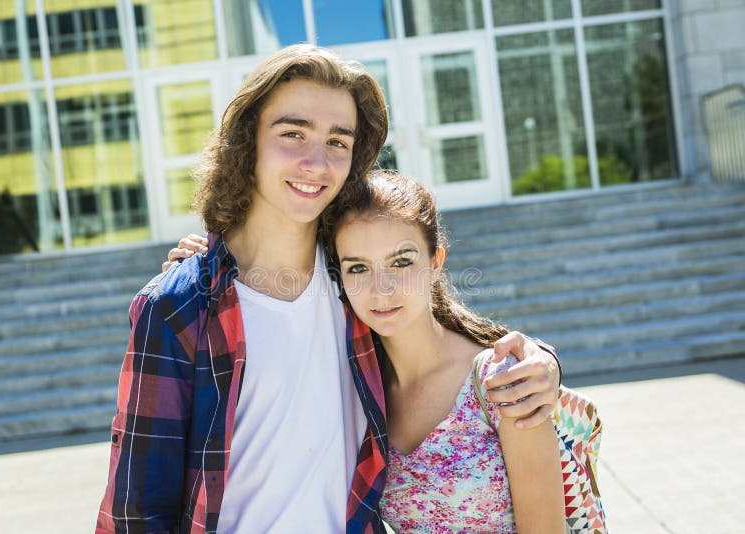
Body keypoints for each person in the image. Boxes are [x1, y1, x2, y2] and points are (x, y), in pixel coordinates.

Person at [98, 44, 562, 534]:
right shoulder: (179, 307)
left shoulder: (354, 282)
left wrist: (541, 361)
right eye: (292, 133)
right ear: (247, 141)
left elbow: (443, 338)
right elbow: (135, 512)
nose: (316, 163)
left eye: (338, 141)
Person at [169, 170, 568, 532]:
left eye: (401, 262)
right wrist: (201, 269)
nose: (382, 289)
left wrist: (547, 360)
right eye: (358, 267)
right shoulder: (357, 386)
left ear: (435, 261)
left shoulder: (503, 379)